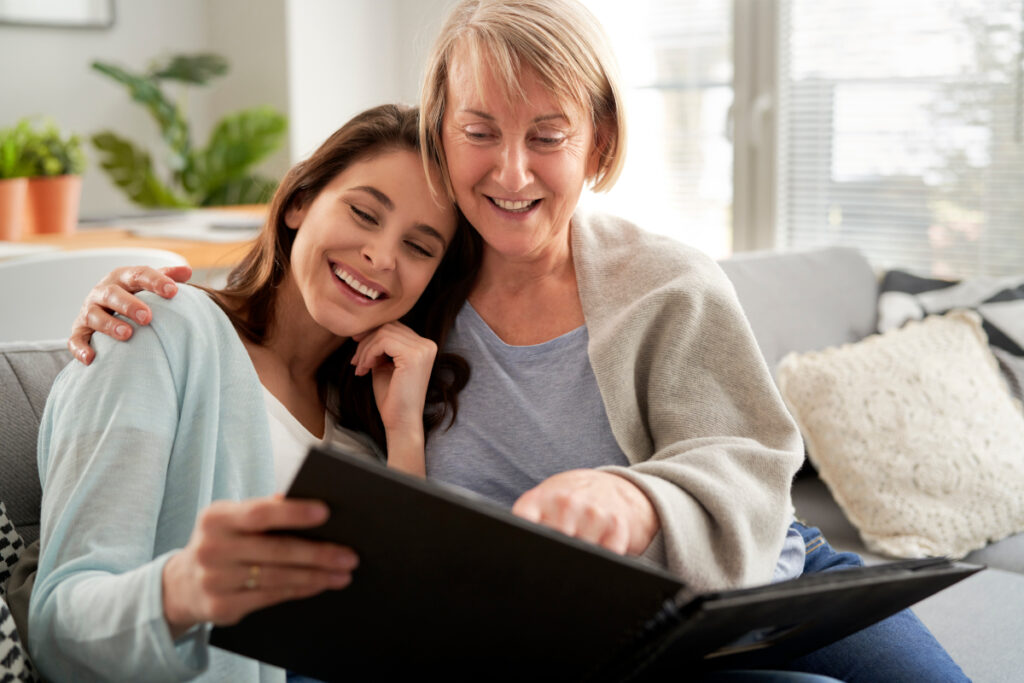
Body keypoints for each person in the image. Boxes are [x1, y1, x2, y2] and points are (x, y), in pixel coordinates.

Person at [66, 0, 967, 680]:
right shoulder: (412, 288)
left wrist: (636, 501)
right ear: (444, 130)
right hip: (571, 634)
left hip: (759, 570)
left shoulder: (665, 281)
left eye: (549, 136)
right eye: (478, 132)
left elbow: (749, 459)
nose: (510, 171)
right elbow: (382, 530)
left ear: (597, 142)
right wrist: (133, 293)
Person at [28, 104, 478, 682]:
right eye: (364, 213)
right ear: (298, 202)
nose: (382, 256)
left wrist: (404, 435)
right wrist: (183, 591)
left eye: (420, 248)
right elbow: (60, 630)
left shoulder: (365, 431)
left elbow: (396, 637)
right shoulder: (157, 329)